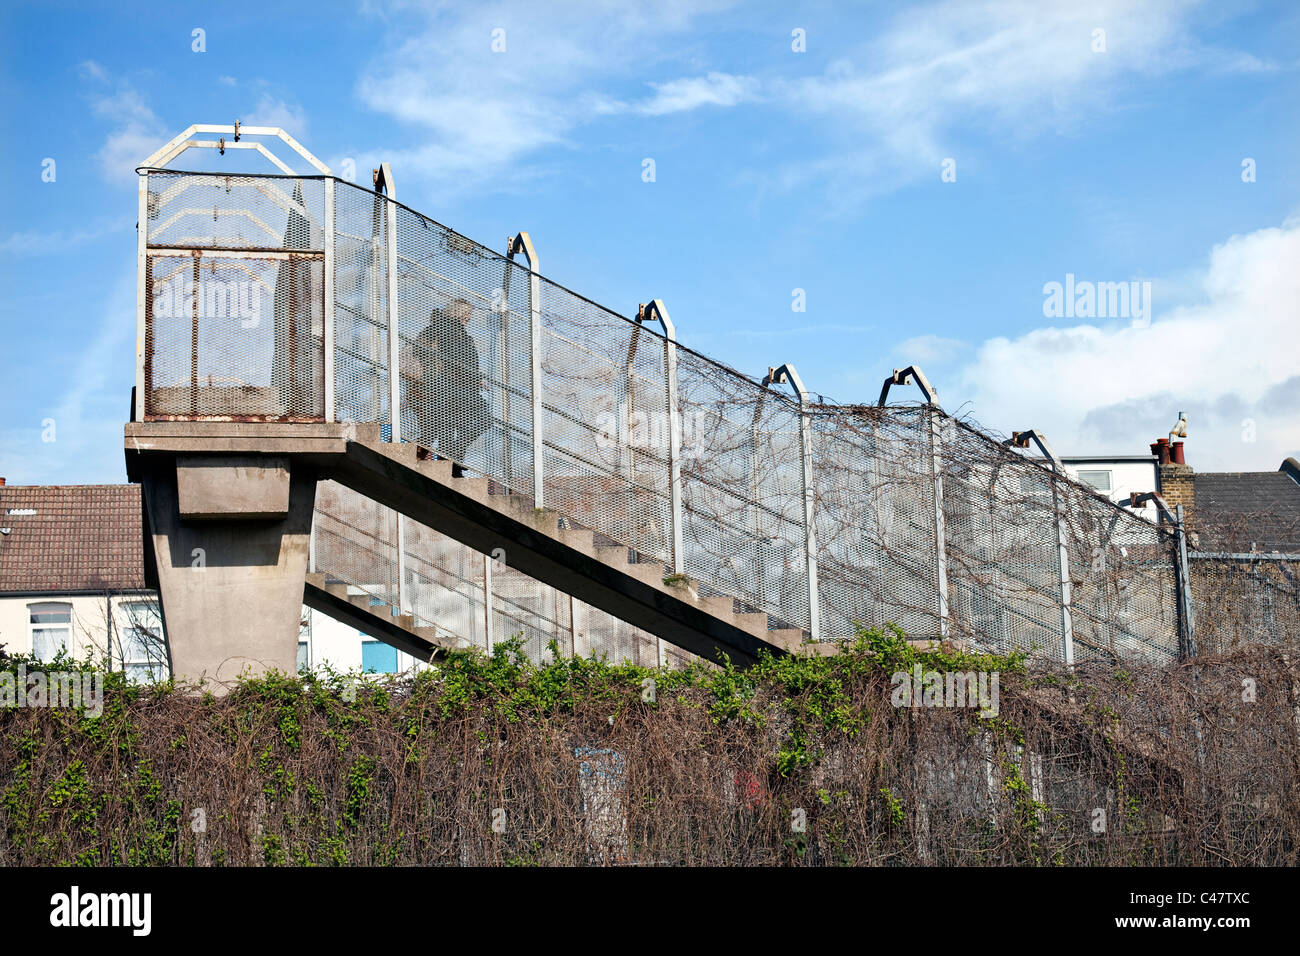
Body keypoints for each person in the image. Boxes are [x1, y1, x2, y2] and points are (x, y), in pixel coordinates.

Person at [403, 297, 490, 478]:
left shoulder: (451, 331)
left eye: (470, 314)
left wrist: (475, 379)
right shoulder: (445, 330)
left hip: (453, 387)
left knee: (437, 429)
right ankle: (450, 462)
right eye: (466, 313)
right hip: (444, 387)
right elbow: (454, 362)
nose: (469, 317)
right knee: (459, 424)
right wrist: (473, 378)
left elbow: (460, 362)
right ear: (456, 312)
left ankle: (446, 460)